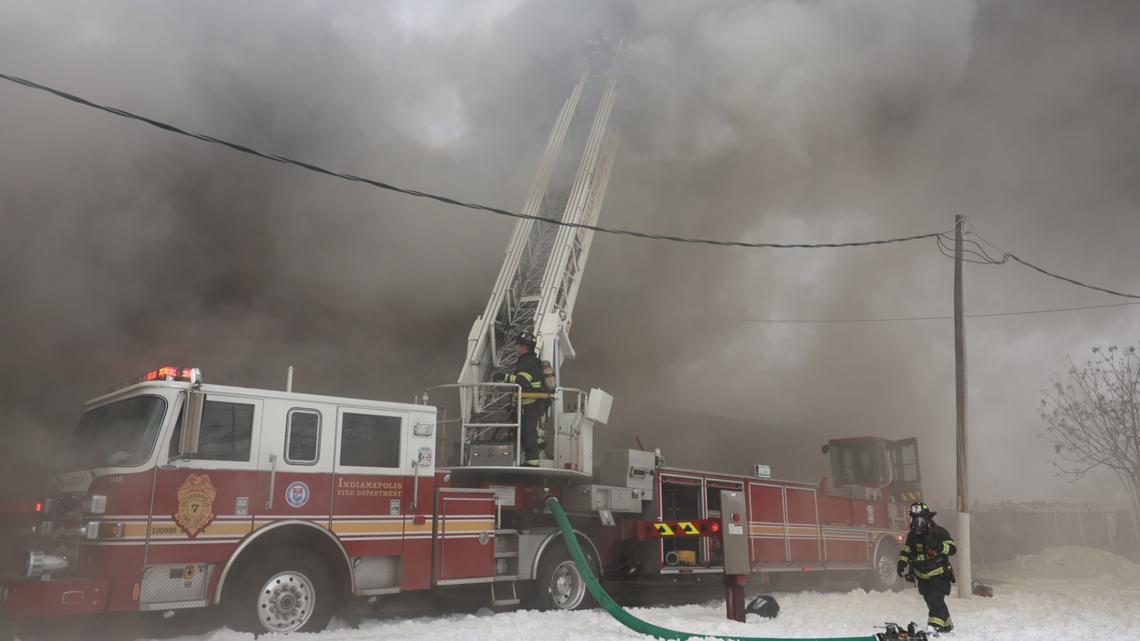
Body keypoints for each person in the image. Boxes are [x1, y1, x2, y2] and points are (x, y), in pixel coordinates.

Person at [897, 502, 957, 634]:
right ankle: (947, 624)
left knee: (935, 599)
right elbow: (906, 550)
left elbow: (952, 549)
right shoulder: (912, 535)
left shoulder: (939, 532)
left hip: (939, 575)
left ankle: (934, 627)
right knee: (931, 600)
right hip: (922, 576)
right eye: (914, 518)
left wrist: (937, 545)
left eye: (920, 518)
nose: (917, 522)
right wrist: (902, 562)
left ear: (927, 518)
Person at [504, 331, 546, 467]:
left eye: (518, 345)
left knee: (527, 433)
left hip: (530, 405)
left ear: (524, 347)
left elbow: (521, 381)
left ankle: (532, 462)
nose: (517, 347)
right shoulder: (531, 360)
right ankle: (538, 442)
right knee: (526, 431)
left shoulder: (528, 362)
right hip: (531, 404)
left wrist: (504, 377)